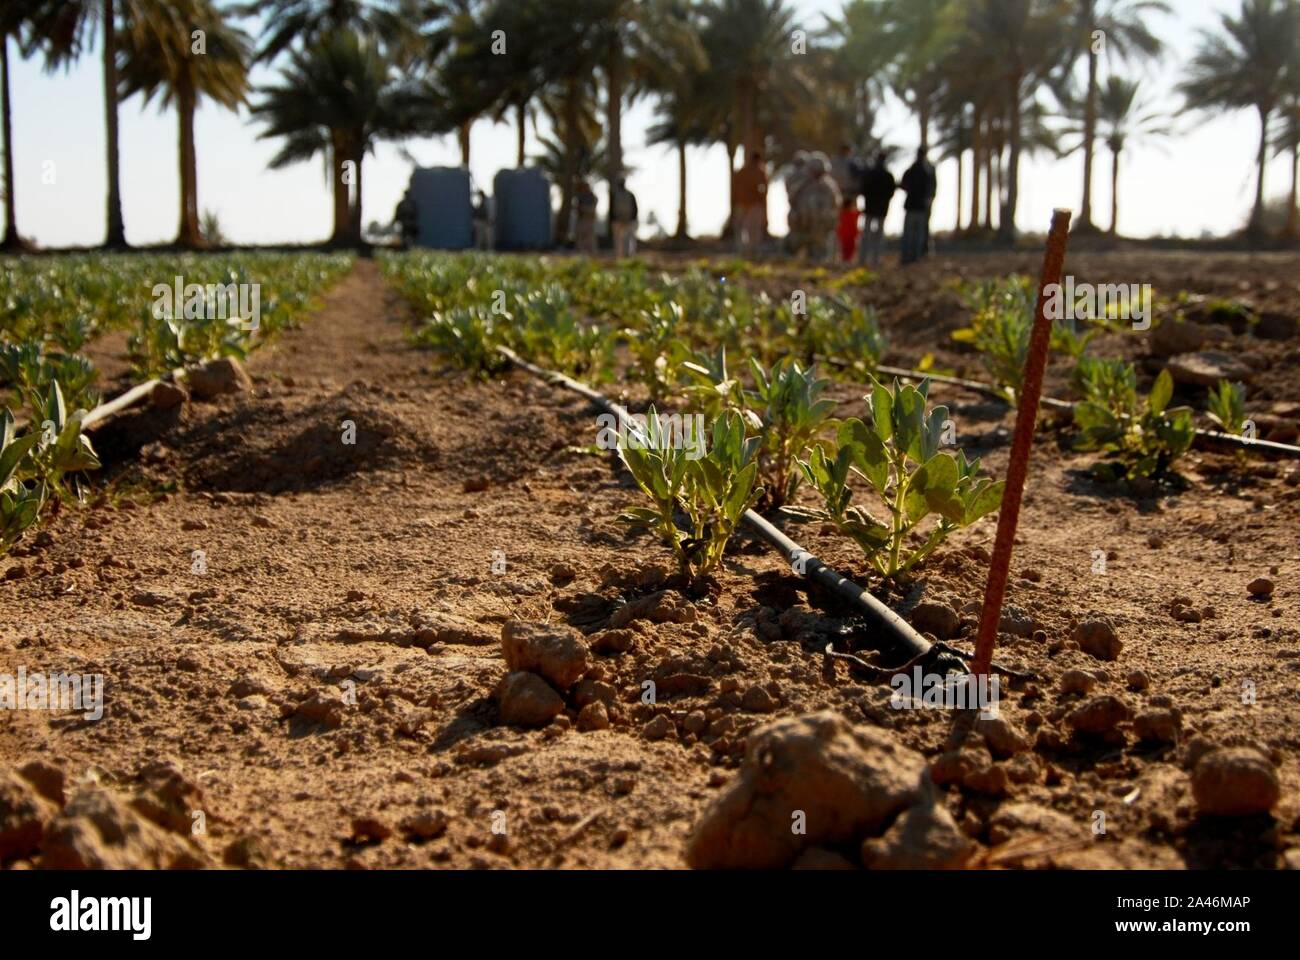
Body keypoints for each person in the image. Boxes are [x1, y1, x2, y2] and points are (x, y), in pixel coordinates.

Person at [792, 153, 840, 261]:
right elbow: (793, 201)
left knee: (821, 248)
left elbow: (834, 205)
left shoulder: (829, 187)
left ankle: (822, 258)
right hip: (804, 225)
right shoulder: (802, 186)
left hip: (821, 227)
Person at [899, 148, 936, 265]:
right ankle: (915, 256)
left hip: (911, 205)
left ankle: (907, 255)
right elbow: (932, 189)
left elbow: (903, 185)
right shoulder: (928, 171)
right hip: (920, 207)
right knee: (918, 233)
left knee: (909, 233)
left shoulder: (911, 169)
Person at [859, 152, 895, 267]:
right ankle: (874, 260)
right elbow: (891, 192)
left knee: (868, 235)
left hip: (871, 208)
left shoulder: (871, 174)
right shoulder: (887, 175)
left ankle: (864, 260)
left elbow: (863, 189)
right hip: (880, 208)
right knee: (876, 235)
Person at [732, 150, 768, 254]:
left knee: (748, 228)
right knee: (751, 228)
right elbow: (764, 188)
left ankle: (748, 250)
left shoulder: (743, 171)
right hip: (750, 204)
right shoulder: (758, 172)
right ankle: (749, 250)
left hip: (746, 204)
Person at [610, 177, 638, 257]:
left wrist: (632, 219)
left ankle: (628, 255)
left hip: (628, 220)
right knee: (619, 240)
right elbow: (612, 208)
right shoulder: (615, 194)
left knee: (628, 239)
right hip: (618, 221)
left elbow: (634, 208)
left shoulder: (630, 194)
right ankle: (620, 256)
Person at [574, 180, 598, 254]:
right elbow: (577, 208)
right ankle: (580, 253)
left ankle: (592, 253)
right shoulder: (580, 197)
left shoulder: (592, 197)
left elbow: (592, 207)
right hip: (581, 220)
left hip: (589, 220)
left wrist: (584, 209)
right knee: (580, 238)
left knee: (590, 239)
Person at [836, 193, 860, 263]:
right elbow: (860, 212)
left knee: (844, 250)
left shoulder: (841, 213)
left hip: (843, 235)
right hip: (851, 235)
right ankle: (847, 261)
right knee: (850, 250)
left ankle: (844, 261)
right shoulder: (853, 213)